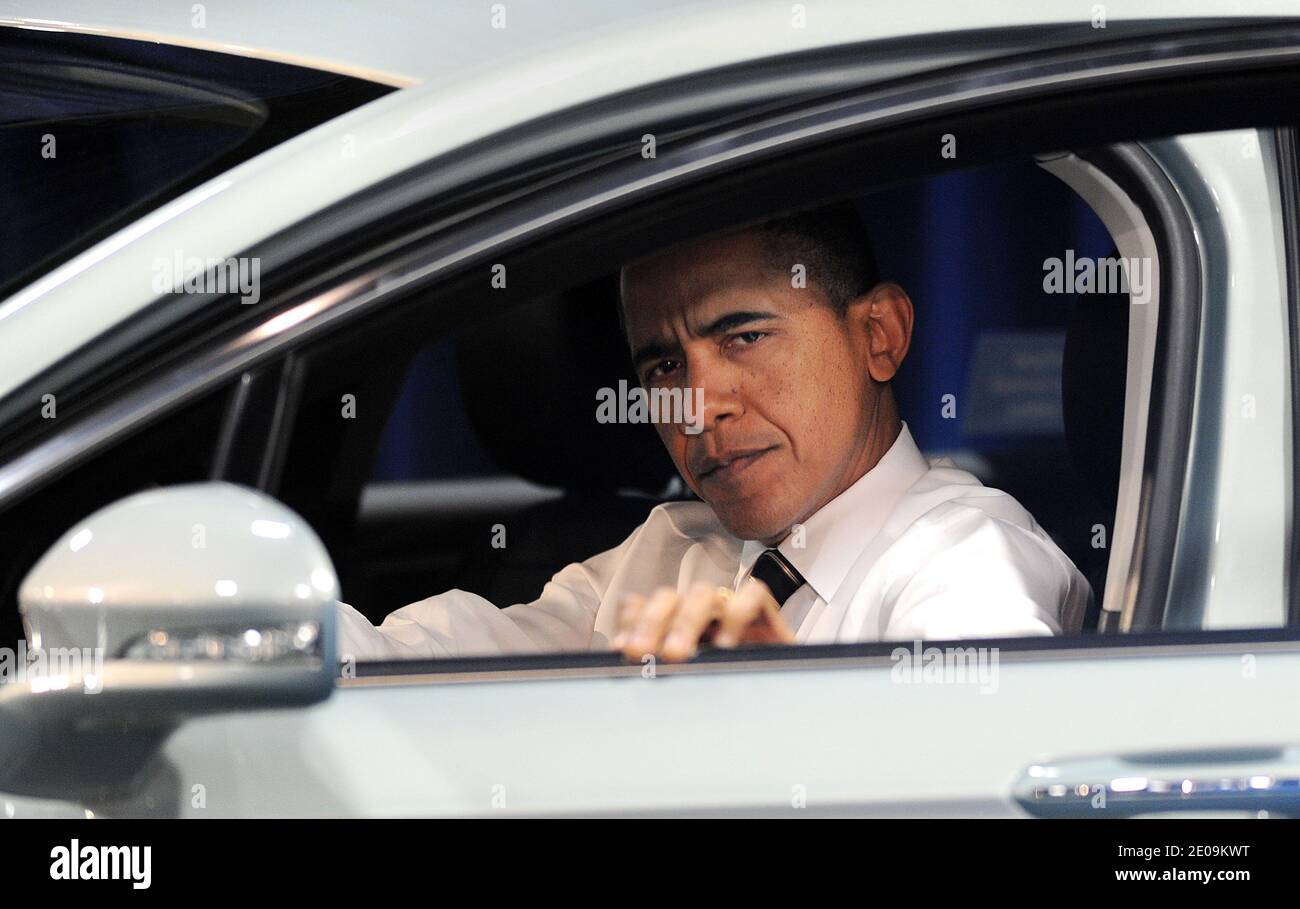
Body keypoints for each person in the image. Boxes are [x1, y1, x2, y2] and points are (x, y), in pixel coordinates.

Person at [336, 202, 1090, 663]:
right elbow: (436, 658)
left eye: (744, 337)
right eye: (664, 365)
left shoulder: (966, 561)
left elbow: (972, 785)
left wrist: (777, 714)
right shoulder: (670, 550)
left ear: (880, 336)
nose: (694, 407)